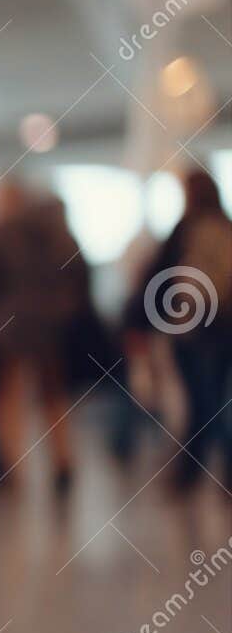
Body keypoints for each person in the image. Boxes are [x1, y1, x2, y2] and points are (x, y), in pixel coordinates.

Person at [0, 179, 93, 495]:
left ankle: (11, 467)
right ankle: (63, 462)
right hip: (52, 328)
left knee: (9, 396)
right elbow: (81, 275)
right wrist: (64, 309)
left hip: (11, 328)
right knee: (53, 395)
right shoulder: (58, 233)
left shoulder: (0, 234)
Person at [134, 169, 232, 490]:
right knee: (217, 399)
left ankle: (189, 476)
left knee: (200, 402)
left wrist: (140, 322)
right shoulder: (226, 227)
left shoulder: (183, 230)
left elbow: (157, 279)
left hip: (192, 332)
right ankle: (218, 474)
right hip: (224, 330)